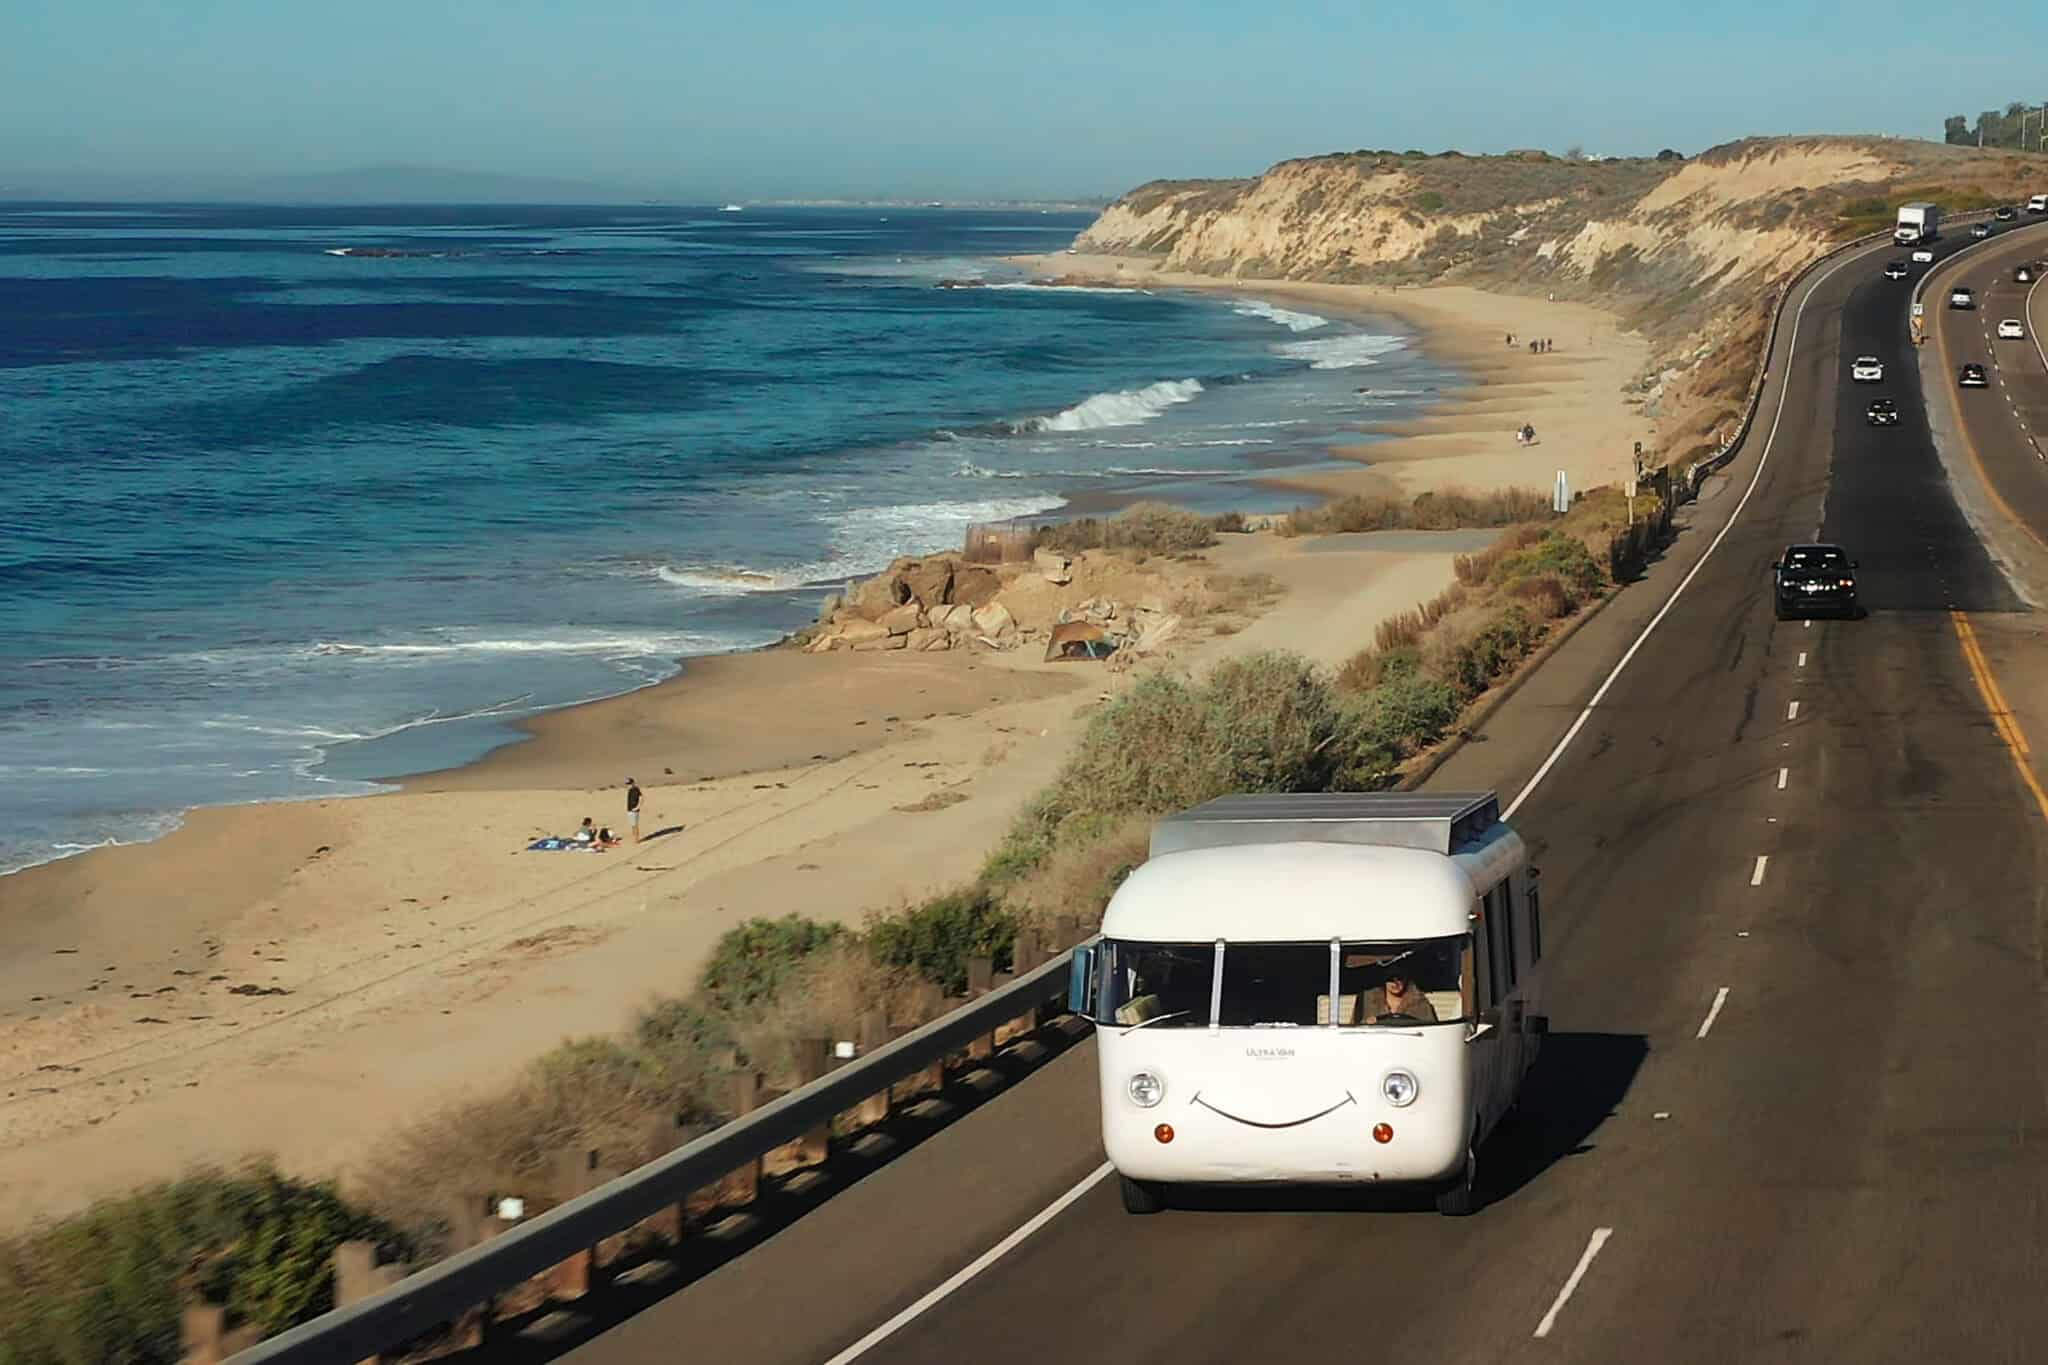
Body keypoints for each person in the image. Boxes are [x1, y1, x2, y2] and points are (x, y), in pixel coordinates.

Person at [1360, 972, 1439, 1024]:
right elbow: (1360, 1030)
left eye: (1399, 978)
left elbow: (1430, 1029)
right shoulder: (1371, 1002)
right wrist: (1368, 1024)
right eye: (1390, 979)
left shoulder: (1420, 1003)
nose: (1395, 983)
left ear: (1406, 979)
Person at [625, 777, 642, 843]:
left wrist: (638, 807)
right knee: (632, 824)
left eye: (629, 784)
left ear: (633, 783)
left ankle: (637, 839)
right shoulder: (630, 790)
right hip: (629, 809)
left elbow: (641, 798)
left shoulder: (636, 789)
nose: (628, 785)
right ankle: (634, 837)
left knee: (635, 825)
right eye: (627, 784)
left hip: (634, 810)